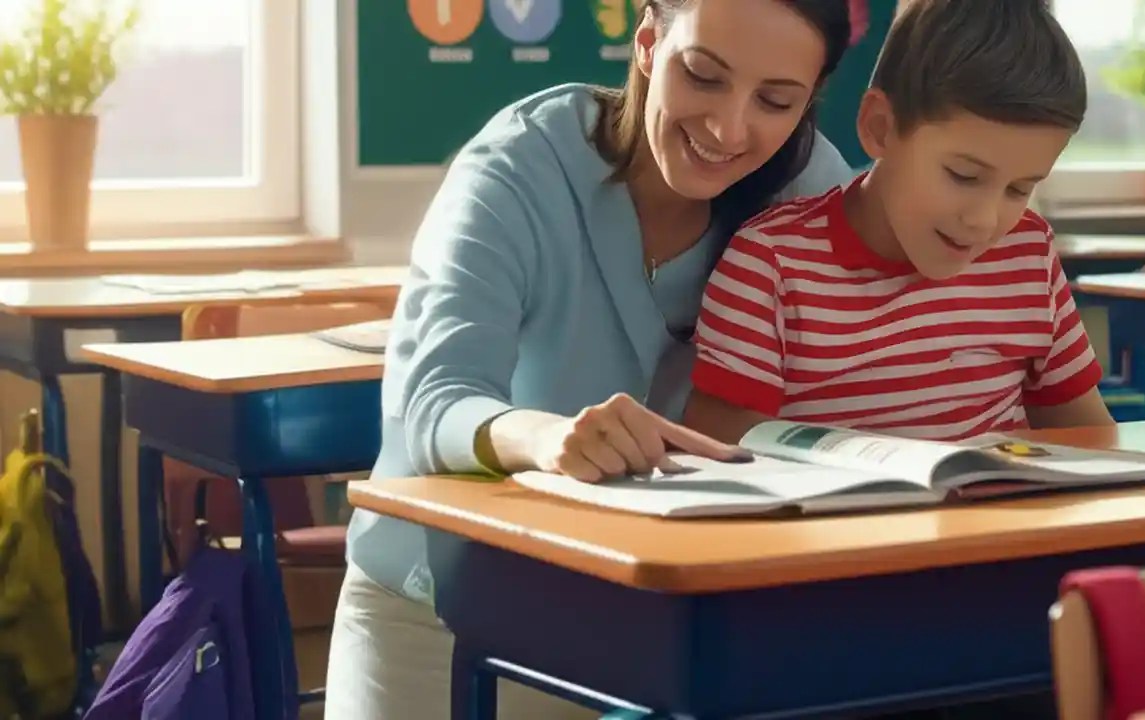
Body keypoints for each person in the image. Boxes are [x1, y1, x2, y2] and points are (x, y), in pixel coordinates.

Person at [324, 0, 856, 717]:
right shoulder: (519, 164)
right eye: (702, 75)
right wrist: (546, 436)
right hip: (441, 607)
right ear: (646, 42)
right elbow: (434, 403)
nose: (731, 128)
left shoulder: (808, 185)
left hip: (654, 615)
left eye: (776, 100)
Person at [684, 0, 1117, 452]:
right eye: (963, 176)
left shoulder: (1027, 252)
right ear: (880, 128)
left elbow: (1091, 440)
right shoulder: (768, 266)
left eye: (1019, 189)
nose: (984, 221)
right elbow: (721, 456)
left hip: (1002, 517)